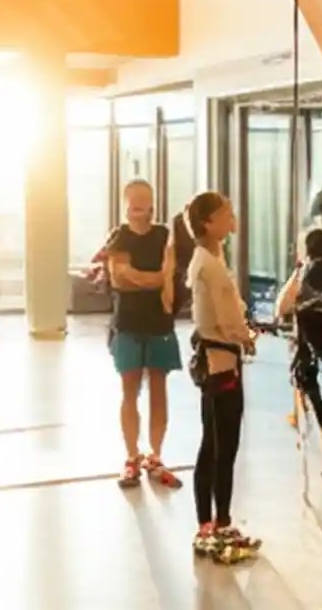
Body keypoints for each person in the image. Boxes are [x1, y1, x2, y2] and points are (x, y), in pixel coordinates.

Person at [185, 191, 261, 561]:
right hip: (220, 363)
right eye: (226, 214)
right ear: (207, 223)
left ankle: (214, 522)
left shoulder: (212, 258)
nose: (232, 219)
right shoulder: (209, 266)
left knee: (216, 443)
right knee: (221, 444)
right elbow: (226, 319)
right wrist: (248, 336)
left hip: (221, 360)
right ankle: (215, 525)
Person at [105, 180, 182, 489]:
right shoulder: (119, 237)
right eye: (133, 199)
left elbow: (168, 275)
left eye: (144, 199)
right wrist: (154, 279)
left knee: (159, 389)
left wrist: (141, 277)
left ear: (152, 203)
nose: (138, 204)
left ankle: (156, 455)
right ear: (126, 203)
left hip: (160, 324)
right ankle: (132, 456)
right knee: (130, 390)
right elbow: (119, 279)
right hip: (128, 324)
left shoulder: (165, 236)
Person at [275, 227, 322, 476]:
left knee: (309, 386)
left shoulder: (310, 274)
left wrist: (297, 271)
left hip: (308, 341)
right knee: (306, 384)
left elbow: (282, 306)